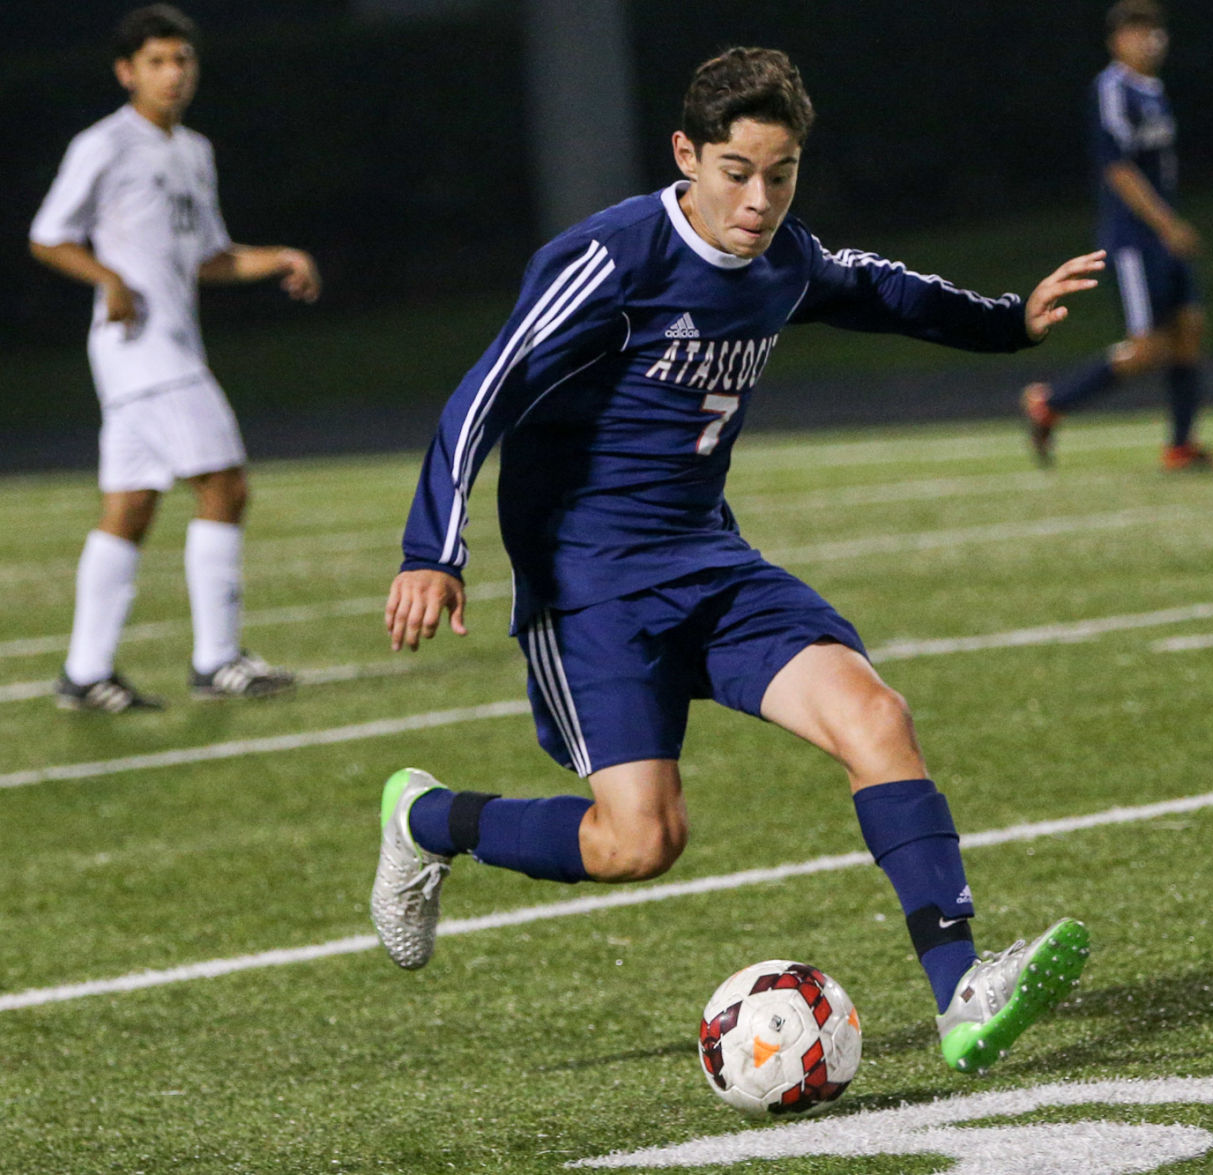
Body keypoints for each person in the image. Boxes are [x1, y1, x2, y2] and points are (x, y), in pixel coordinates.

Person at [370, 46, 1098, 1076]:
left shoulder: (781, 260)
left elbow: (879, 291)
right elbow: (481, 390)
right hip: (591, 587)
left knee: (876, 718)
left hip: (713, 564)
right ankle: (426, 817)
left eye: (781, 172)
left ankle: (961, 991)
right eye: (735, 171)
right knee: (640, 841)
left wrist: (1006, 324)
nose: (758, 200)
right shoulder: (612, 258)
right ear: (686, 155)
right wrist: (430, 550)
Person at [29, 4, 319, 712]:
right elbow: (48, 234)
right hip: (142, 350)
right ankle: (217, 659)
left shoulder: (194, 152)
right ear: (127, 72)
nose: (173, 74)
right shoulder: (104, 144)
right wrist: (111, 279)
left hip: (163, 350)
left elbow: (209, 261)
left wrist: (279, 257)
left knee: (130, 505)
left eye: (182, 60)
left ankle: (84, 672)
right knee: (225, 485)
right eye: (157, 62)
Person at [1019, 0, 1213, 472]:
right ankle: (1050, 404)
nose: (1147, 40)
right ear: (1115, 41)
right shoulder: (1112, 88)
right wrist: (1168, 226)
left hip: (1161, 236)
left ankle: (1180, 445)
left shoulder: (1153, 90)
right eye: (1135, 32)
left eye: (1152, 31)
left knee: (1189, 330)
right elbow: (1118, 169)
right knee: (1148, 347)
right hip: (1135, 239)